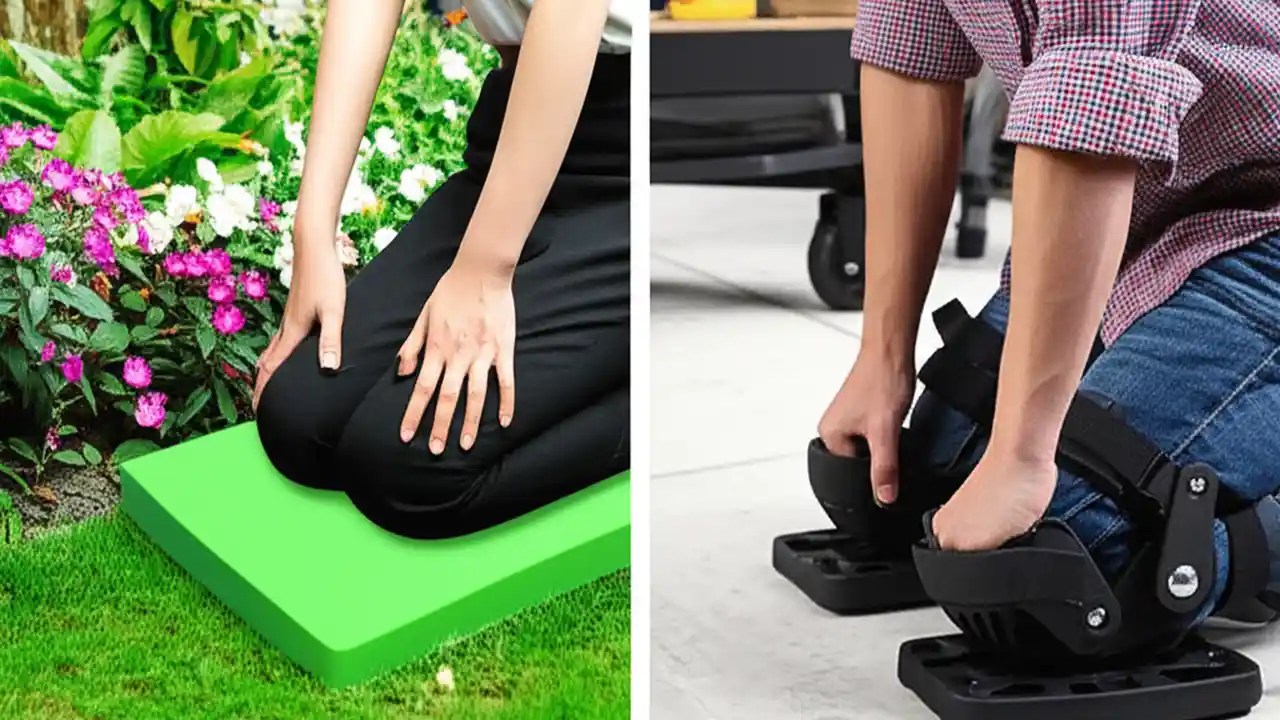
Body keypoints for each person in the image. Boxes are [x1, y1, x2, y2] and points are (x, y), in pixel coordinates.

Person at [819, 0, 1280, 625]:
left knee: (1068, 571)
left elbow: (1095, 101)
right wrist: (882, 355)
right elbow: (911, 44)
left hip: (1264, 220)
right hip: (1146, 223)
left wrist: (1020, 455)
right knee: (911, 485)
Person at [253, 0, 632, 540]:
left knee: (407, 472)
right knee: (299, 422)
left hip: (629, 157)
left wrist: (483, 269)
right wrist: (313, 234)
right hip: (511, 135)